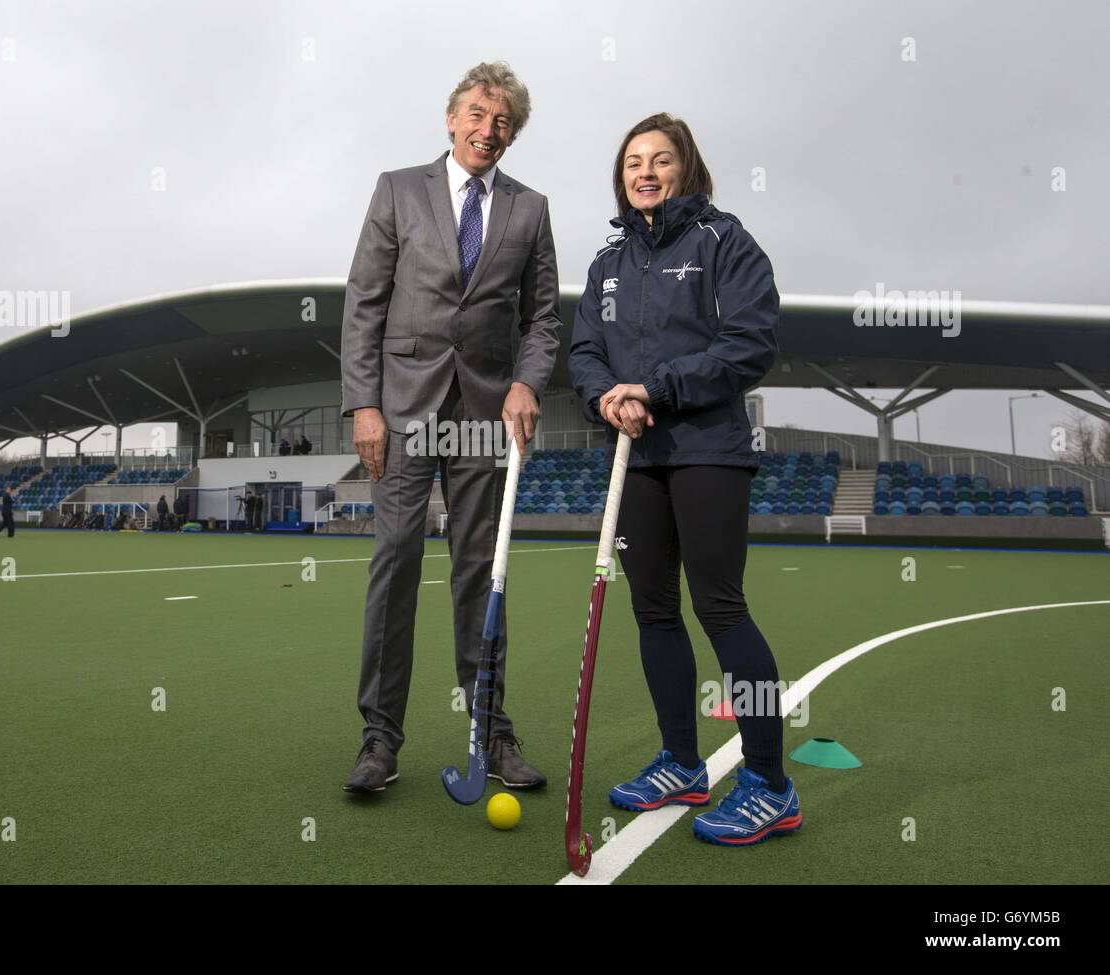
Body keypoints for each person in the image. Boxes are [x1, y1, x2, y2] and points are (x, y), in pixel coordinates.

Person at [568, 113, 798, 847]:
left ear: (686, 168)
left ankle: (769, 782)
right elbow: (583, 351)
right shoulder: (607, 263)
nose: (645, 172)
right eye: (633, 161)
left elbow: (749, 342)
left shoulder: (725, 241)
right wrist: (606, 393)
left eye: (660, 160)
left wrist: (655, 387)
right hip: (635, 457)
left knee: (721, 607)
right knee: (654, 610)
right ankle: (681, 761)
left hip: (708, 449)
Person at [339, 61, 560, 793]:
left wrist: (527, 381)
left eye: (503, 121)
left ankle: (491, 734)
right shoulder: (398, 189)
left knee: (479, 571)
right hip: (403, 412)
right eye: (476, 114)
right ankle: (379, 738)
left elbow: (544, 319)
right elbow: (365, 301)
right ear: (451, 118)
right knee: (396, 561)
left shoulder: (531, 209)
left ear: (512, 133)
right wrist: (363, 405)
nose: (487, 130)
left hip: (483, 416)